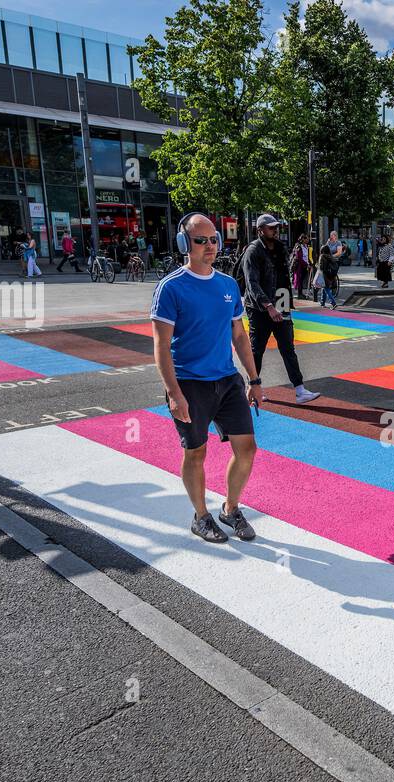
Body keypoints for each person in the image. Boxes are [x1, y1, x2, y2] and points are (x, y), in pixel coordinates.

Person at [152, 213, 262, 545]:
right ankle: (201, 516)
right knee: (196, 453)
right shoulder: (171, 288)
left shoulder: (228, 285)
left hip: (227, 380)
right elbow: (161, 346)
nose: (210, 246)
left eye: (214, 239)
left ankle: (230, 509)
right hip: (189, 383)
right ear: (185, 244)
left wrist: (254, 380)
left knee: (248, 449)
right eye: (201, 240)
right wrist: (174, 392)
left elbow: (240, 337)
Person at [240, 213, 320, 405]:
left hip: (281, 304)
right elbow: (252, 284)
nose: (275, 231)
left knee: (288, 348)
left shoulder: (280, 248)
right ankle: (253, 389)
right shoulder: (253, 251)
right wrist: (268, 306)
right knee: (257, 350)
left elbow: (283, 278)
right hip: (259, 309)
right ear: (260, 230)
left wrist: (284, 307)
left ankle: (300, 390)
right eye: (271, 228)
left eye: (276, 227)